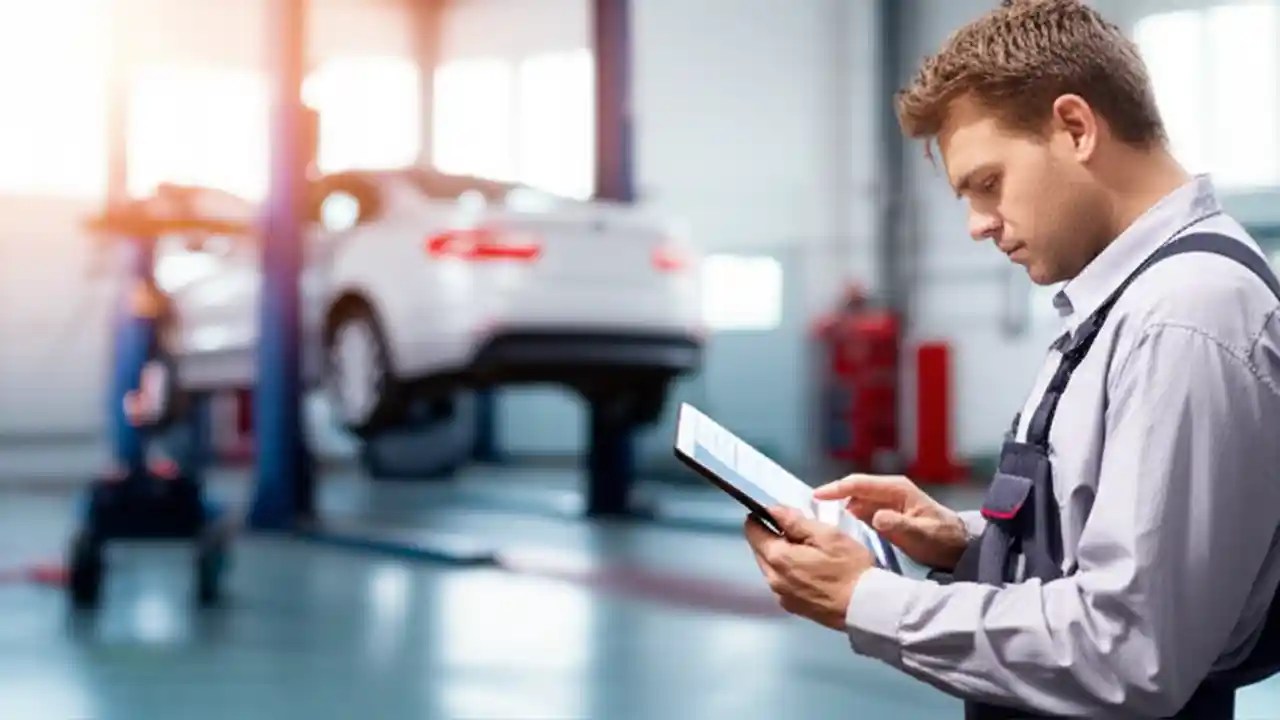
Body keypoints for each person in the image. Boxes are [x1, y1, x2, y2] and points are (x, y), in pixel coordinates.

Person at [744, 1, 1280, 717]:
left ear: (1076, 128)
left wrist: (866, 599)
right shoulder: (1127, 302)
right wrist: (963, 543)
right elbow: (1101, 535)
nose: (976, 224)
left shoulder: (1185, 315)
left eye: (988, 183)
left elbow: (1129, 650)